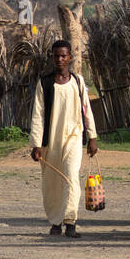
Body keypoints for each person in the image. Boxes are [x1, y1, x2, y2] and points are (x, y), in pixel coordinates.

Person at [29, 40, 99, 238]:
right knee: (51, 182)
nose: (59, 59)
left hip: (73, 138)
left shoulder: (78, 82)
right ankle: (55, 222)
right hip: (50, 140)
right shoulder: (44, 83)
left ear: (69, 58)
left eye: (63, 56)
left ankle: (70, 221)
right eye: (56, 56)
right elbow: (37, 114)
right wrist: (36, 145)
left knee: (71, 176)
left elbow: (87, 110)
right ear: (52, 57)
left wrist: (92, 137)